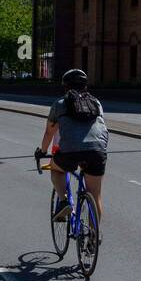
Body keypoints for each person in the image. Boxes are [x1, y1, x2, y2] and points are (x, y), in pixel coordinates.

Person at [36, 68, 109, 221]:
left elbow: (50, 132)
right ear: (85, 86)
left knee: (56, 169)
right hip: (97, 150)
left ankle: (63, 201)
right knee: (95, 198)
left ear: (65, 87)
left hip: (70, 152)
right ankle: (92, 239)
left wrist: (42, 151)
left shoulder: (60, 103)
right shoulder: (96, 103)